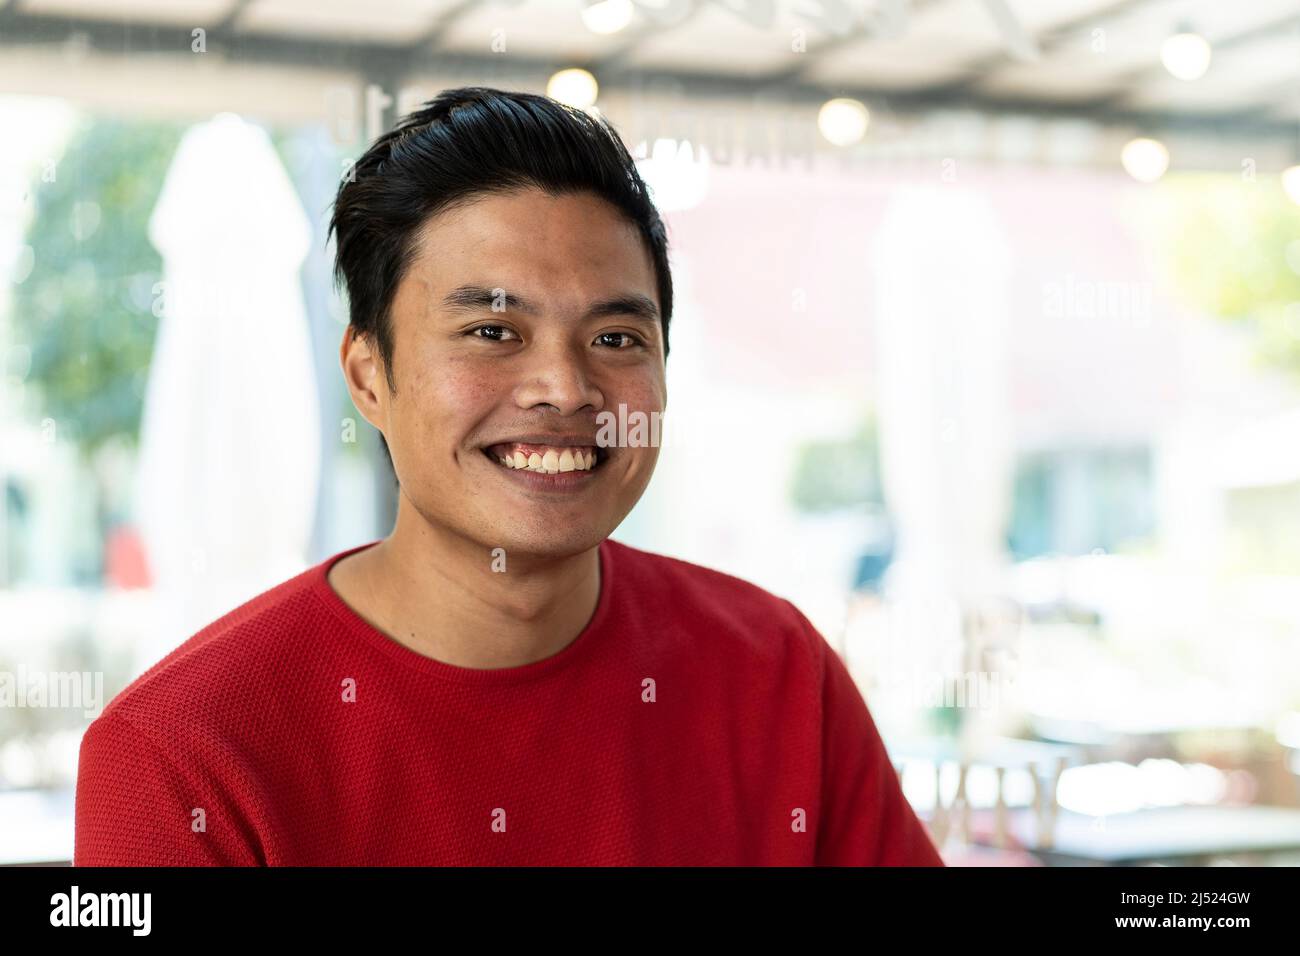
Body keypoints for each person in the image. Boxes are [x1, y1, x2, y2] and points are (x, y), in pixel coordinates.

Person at [74, 87, 944, 866]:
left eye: (616, 339)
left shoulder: (779, 674)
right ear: (369, 375)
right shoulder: (180, 756)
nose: (565, 389)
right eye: (492, 333)